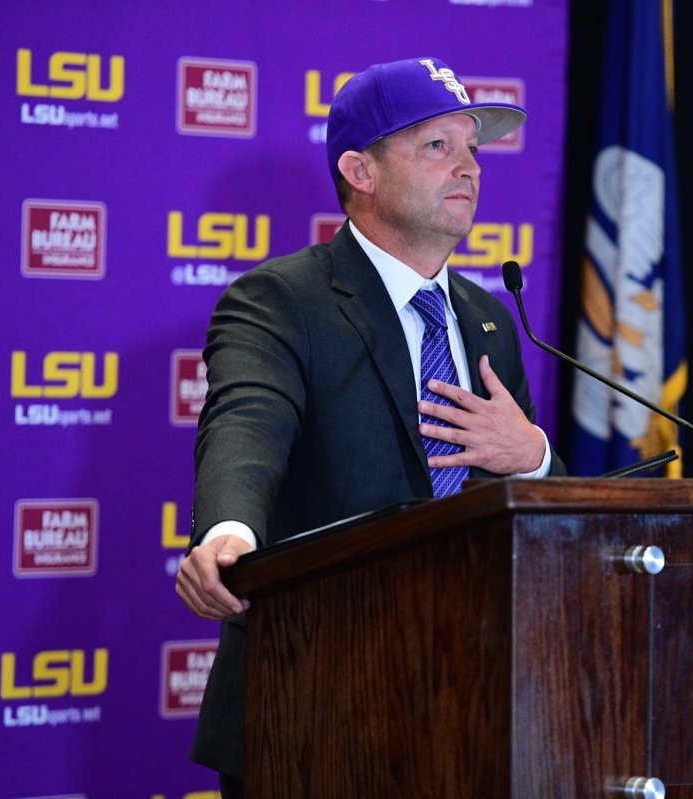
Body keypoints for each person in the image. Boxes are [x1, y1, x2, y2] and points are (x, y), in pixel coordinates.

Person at [174, 56, 565, 796]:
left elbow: (536, 511)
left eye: (472, 148)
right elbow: (247, 422)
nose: (470, 168)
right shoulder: (282, 299)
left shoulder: (489, 318)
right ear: (361, 171)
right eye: (437, 146)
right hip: (313, 700)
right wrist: (229, 529)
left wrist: (534, 455)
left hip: (472, 699)